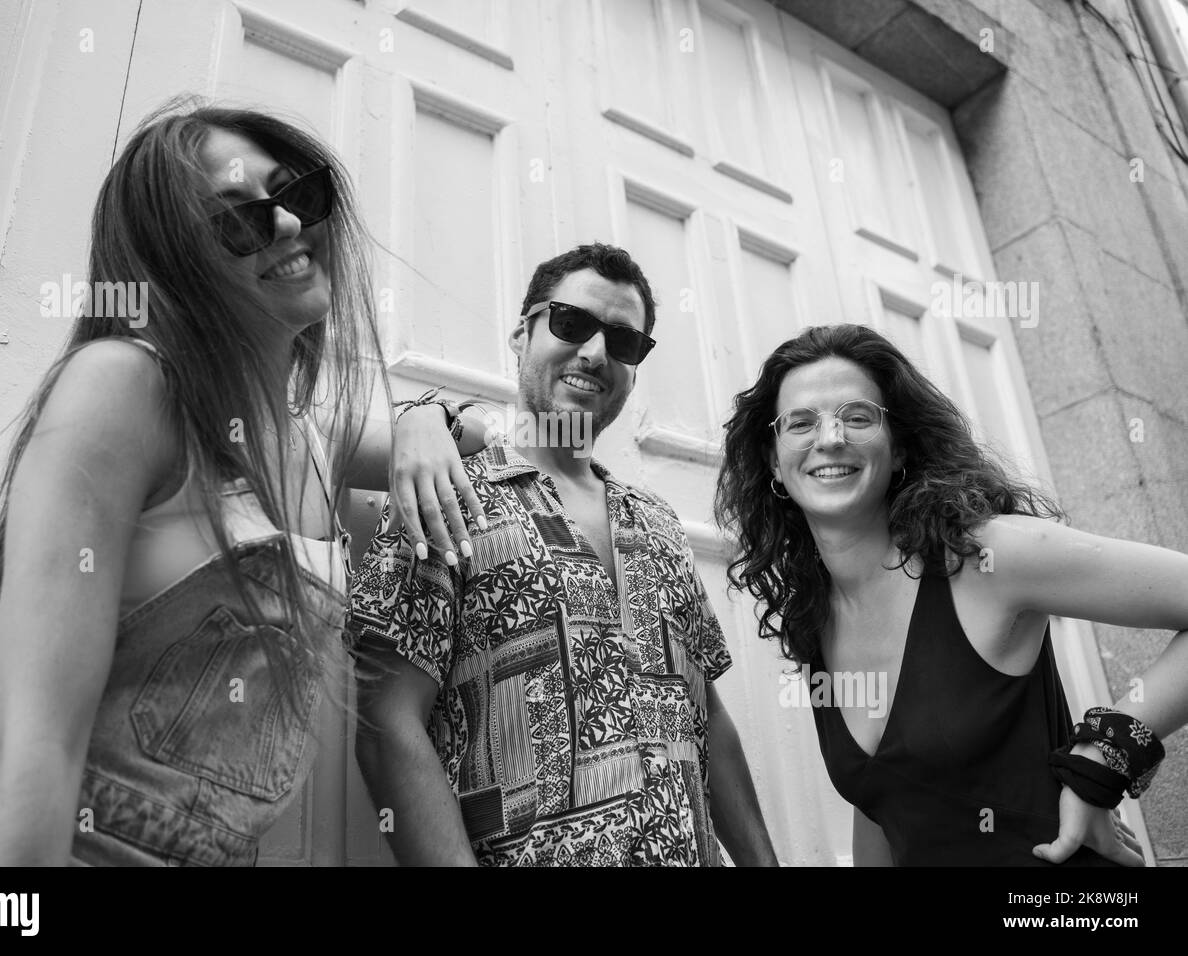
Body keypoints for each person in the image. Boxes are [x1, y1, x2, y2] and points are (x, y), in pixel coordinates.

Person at [0, 99, 485, 866]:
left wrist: (423, 419)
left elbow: (490, 435)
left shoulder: (313, 436)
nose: (289, 228)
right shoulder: (128, 386)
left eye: (298, 196)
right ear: (172, 262)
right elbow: (35, 750)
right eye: (237, 222)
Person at [346, 242, 779, 866]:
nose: (596, 353)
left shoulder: (656, 521)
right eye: (571, 324)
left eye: (624, 342)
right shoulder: (448, 485)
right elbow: (386, 718)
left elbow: (705, 714)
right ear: (523, 334)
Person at [714, 322, 1188, 866]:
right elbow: (880, 803)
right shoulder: (813, 622)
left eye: (858, 416)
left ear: (899, 450)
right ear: (775, 462)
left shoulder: (989, 556)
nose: (830, 438)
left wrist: (1102, 759)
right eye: (800, 422)